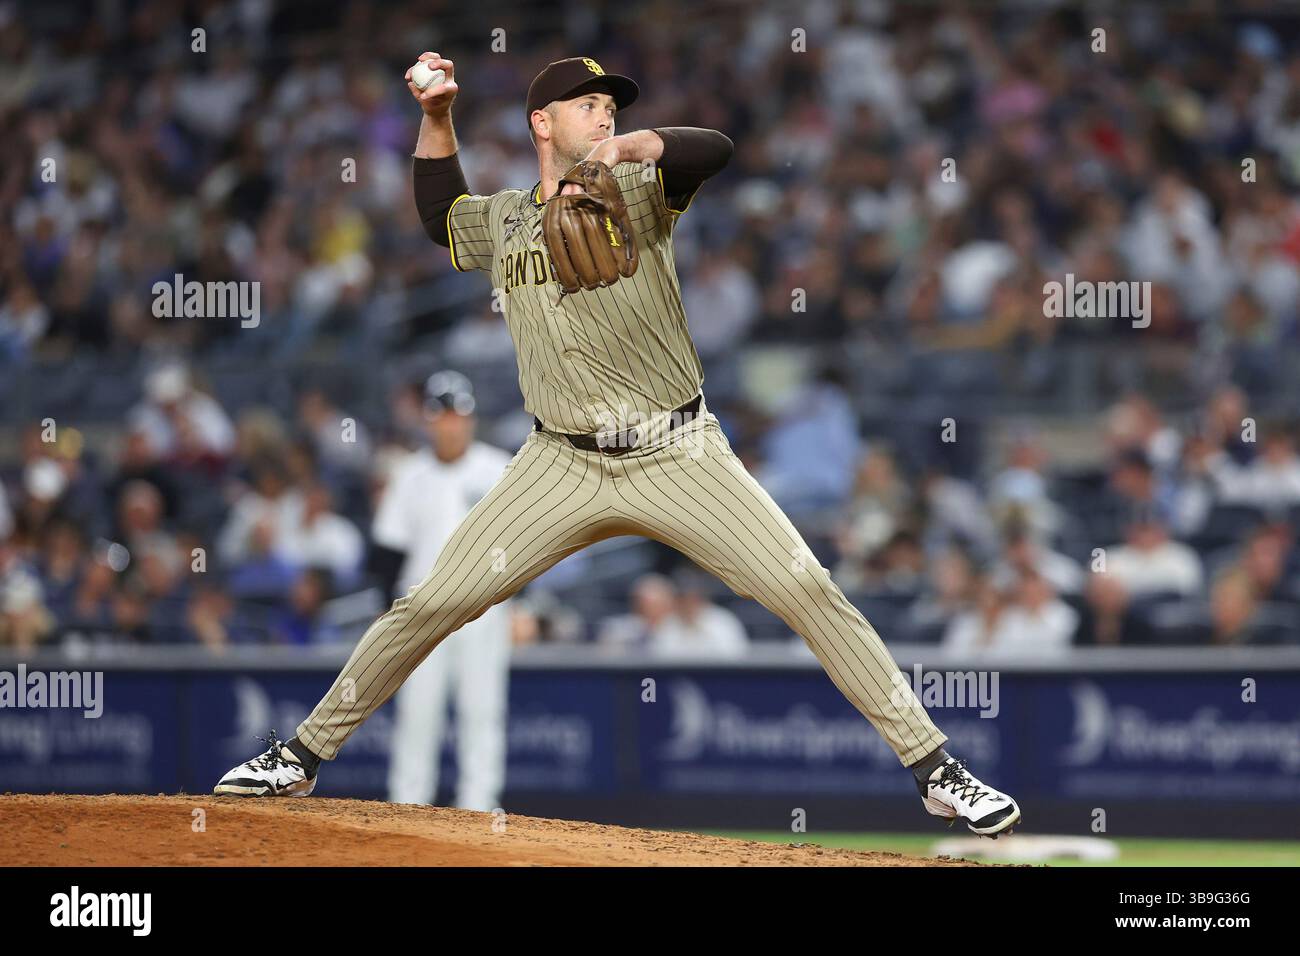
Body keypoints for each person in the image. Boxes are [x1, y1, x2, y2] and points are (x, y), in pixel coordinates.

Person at [215, 54, 1020, 838]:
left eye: (611, 104)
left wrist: (639, 146)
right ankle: (303, 752)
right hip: (559, 462)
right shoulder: (504, 218)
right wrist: (436, 117)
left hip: (677, 451)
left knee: (808, 588)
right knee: (431, 603)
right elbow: (437, 214)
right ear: (542, 120)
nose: (605, 112)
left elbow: (718, 149)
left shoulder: (636, 188)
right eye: (586, 102)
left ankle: (936, 771)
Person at [373, 372, 514, 812]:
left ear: (469, 420)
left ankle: (479, 810)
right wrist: (387, 620)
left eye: (458, 416)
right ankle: (407, 809)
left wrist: (525, 603)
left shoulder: (499, 468)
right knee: (418, 717)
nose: (451, 425)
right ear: (428, 421)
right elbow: (387, 556)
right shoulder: (409, 474)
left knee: (481, 713)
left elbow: (525, 544)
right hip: (421, 611)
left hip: (484, 608)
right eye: (443, 417)